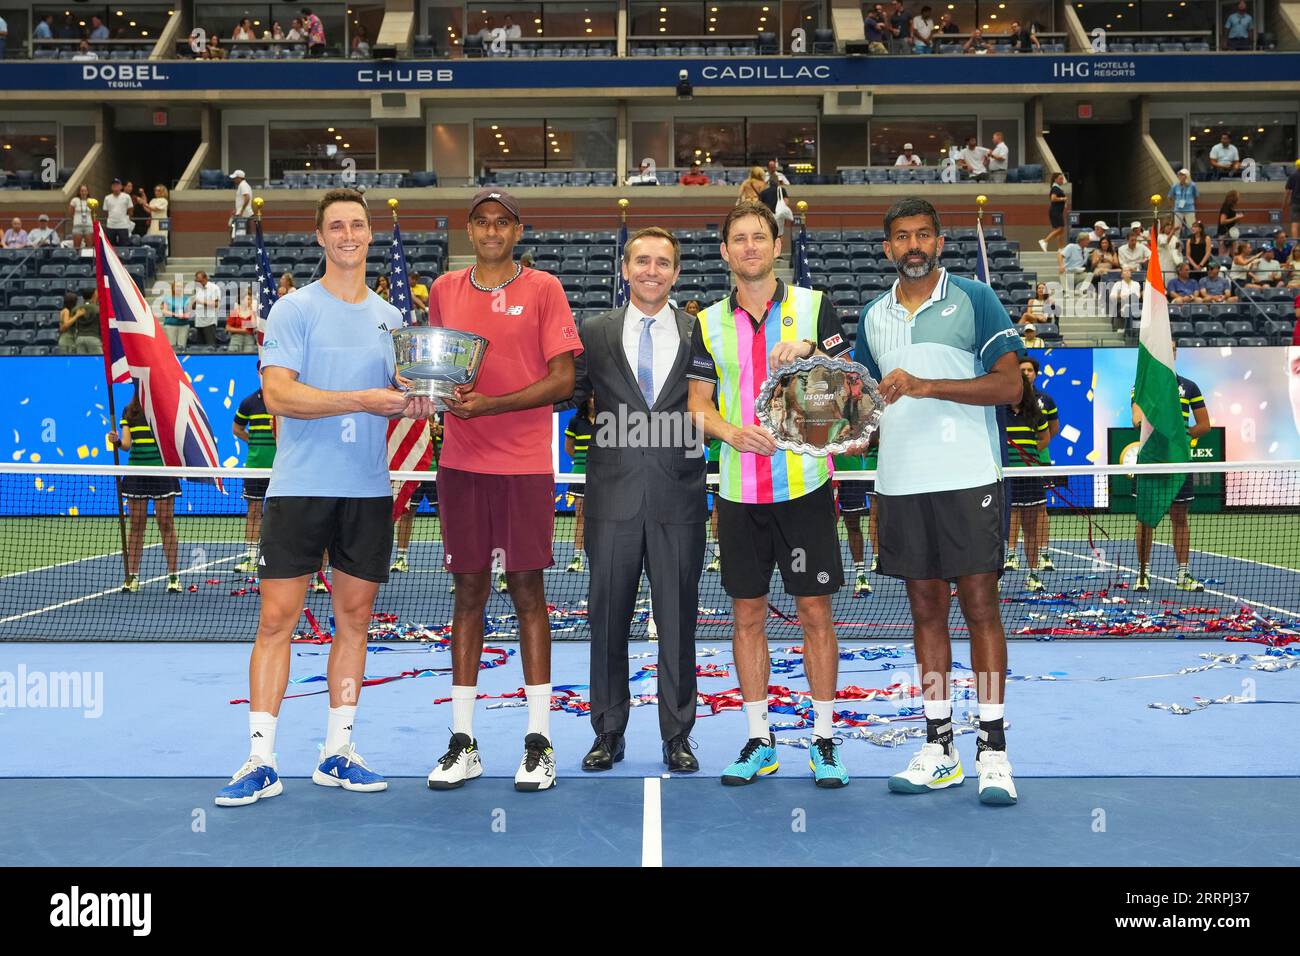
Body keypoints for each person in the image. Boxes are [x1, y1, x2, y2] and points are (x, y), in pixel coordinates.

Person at [214, 187, 432, 808]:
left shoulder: (393, 320)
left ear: (368, 234)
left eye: (357, 225)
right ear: (319, 237)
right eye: (336, 226)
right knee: (276, 623)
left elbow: (405, 392)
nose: (348, 235)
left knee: (354, 623)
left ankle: (338, 750)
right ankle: (260, 759)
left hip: (366, 491)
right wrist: (361, 400)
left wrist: (419, 399)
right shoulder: (291, 311)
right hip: (300, 489)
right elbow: (281, 397)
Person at [854, 196, 1026, 806]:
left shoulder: (976, 299)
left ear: (939, 242)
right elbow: (865, 410)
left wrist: (928, 385)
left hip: (969, 476)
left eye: (922, 234)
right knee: (926, 613)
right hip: (900, 484)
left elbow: (1011, 385)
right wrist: (833, 430)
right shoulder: (872, 318)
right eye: (901, 236)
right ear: (887, 248)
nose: (913, 245)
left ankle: (994, 748)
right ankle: (940, 745)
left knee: (980, 608)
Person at [687, 200, 852, 789]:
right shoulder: (704, 322)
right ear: (726, 252)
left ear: (777, 245)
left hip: (805, 488)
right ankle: (760, 739)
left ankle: (825, 740)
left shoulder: (813, 308)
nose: (751, 246)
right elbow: (697, 406)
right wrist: (731, 432)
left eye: (760, 236)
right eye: (740, 239)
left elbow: (851, 385)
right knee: (747, 614)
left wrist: (811, 352)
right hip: (737, 493)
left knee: (815, 611)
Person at [422, 188, 582, 794]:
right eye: (482, 222)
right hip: (460, 465)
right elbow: (436, 369)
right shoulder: (443, 290)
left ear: (517, 232)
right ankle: (463, 742)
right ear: (470, 230)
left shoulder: (544, 289)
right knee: (467, 595)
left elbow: (563, 380)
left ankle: (538, 743)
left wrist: (490, 406)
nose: (492, 231)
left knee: (527, 593)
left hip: (523, 466)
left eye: (503, 223)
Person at [564, 226, 706, 774]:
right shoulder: (594, 331)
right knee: (607, 621)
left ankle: (678, 736)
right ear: (625, 269)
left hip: (680, 498)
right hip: (612, 500)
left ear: (676, 272)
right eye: (642, 261)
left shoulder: (702, 332)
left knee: (678, 621)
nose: (651, 270)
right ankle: (608, 733)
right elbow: (564, 391)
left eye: (663, 262)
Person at [1131, 350, 1211, 592]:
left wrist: (1182, 437)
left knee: (1180, 518)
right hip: (1151, 461)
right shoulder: (1142, 386)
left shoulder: (1190, 387)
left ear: (1174, 353)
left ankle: (1183, 574)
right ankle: (1143, 573)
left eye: (1171, 348)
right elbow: (1136, 420)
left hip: (1178, 462)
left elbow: (1205, 425)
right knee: (1145, 520)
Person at [108, 387, 182, 594]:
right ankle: (132, 577)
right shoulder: (129, 411)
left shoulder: (166, 409)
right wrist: (117, 441)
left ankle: (174, 577)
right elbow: (126, 445)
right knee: (137, 525)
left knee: (166, 522)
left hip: (162, 473)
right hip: (137, 474)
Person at [1002, 371, 1049, 591]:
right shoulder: (998, 413)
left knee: (1030, 528)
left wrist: (1028, 457)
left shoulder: (1036, 414)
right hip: (1005, 480)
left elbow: (1044, 438)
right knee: (998, 529)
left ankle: (1033, 575)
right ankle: (996, 578)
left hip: (1030, 478)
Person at [232, 384, 277, 573]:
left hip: (281, 468)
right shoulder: (249, 402)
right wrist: (256, 443)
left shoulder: (282, 399)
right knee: (253, 513)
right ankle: (251, 558)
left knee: (281, 516)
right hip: (255, 468)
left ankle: (278, 559)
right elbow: (237, 429)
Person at [390, 415, 442, 574]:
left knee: (444, 516)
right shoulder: (413, 409)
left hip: (435, 471)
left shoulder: (446, 410)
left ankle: (450, 558)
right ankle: (401, 558)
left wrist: (439, 430)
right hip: (413, 470)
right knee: (407, 514)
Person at [835, 434, 879, 595]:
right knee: (829, 527)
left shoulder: (855, 420)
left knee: (853, 524)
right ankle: (835, 571)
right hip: (827, 478)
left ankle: (861, 576)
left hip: (853, 477)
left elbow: (871, 440)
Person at [563, 395, 595, 573]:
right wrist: (582, 461)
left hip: (602, 476)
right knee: (580, 517)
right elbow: (569, 448)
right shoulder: (575, 422)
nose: (594, 400)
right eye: (591, 396)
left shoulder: (608, 420)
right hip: (580, 475)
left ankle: (604, 557)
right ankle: (577, 557)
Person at [188, 271, 222, 347]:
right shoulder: (197, 289)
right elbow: (194, 306)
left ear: (205, 278)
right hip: (199, 321)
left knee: (210, 345)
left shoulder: (214, 288)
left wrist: (201, 302)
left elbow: (216, 304)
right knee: (200, 346)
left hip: (209, 322)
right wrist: (193, 303)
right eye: (197, 281)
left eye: (200, 281)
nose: (199, 283)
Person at [158, 278, 191, 350]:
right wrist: (175, 315)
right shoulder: (167, 298)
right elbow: (164, 311)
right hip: (170, 325)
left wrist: (184, 315)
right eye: (177, 287)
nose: (178, 288)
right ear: (173, 288)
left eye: (180, 287)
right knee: (171, 347)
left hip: (183, 325)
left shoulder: (186, 299)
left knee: (182, 347)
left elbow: (188, 313)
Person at [1039, 171, 1068, 251]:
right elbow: (1053, 198)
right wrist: (1063, 199)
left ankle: (1061, 248)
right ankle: (1045, 241)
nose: (1062, 180)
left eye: (1062, 179)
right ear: (1055, 179)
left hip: (1057, 211)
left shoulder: (1058, 188)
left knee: (1060, 231)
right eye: (1060, 179)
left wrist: (1064, 202)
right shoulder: (1055, 188)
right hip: (1056, 212)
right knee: (1060, 229)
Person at [226, 287, 258, 352]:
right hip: (236, 338)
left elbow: (254, 325)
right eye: (248, 299)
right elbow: (228, 328)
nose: (250, 301)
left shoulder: (253, 312)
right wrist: (242, 330)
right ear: (241, 300)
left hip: (249, 339)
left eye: (251, 299)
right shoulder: (235, 312)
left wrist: (252, 310)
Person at [102, 179, 133, 247]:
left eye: (117, 185)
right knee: (110, 247)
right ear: (111, 187)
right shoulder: (107, 198)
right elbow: (105, 211)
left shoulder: (127, 197)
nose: (115, 186)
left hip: (123, 226)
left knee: (124, 247)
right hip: (110, 226)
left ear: (121, 187)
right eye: (113, 185)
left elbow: (130, 209)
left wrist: (127, 219)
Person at [1170, 168, 1198, 235]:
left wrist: (1192, 203)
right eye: (1179, 175)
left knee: (1193, 227)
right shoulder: (1175, 186)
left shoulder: (1193, 185)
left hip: (1189, 209)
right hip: (1178, 210)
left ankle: (1193, 242)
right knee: (1177, 228)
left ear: (1187, 176)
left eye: (1182, 175)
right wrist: (1173, 206)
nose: (1180, 176)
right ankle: (1176, 243)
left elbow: (1196, 196)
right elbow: (1170, 196)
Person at [1217, 188, 1243, 256]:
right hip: (1224, 234)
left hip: (1231, 234)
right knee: (1224, 255)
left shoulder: (1232, 208)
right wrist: (1235, 218)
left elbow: (1232, 220)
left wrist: (1237, 219)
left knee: (1235, 253)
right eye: (1238, 197)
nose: (1239, 199)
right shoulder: (1226, 207)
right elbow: (1222, 221)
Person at [69, 184, 94, 250]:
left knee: (89, 247)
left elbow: (93, 214)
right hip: (77, 226)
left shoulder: (91, 201)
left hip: (88, 226)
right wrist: (75, 220)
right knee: (76, 248)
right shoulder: (75, 200)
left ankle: (88, 260)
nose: (83, 192)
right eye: (82, 191)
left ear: (87, 192)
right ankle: (77, 260)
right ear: (79, 192)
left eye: (85, 191)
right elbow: (71, 212)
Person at [231, 170, 253, 238]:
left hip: (243, 215)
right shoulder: (244, 185)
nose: (234, 180)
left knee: (238, 235)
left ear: (239, 178)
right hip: (244, 214)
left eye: (235, 178)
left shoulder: (243, 185)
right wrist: (237, 209)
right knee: (244, 234)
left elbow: (247, 197)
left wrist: (241, 210)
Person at [1284, 160, 1300, 240]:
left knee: (1295, 225)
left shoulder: (1293, 175)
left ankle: (1296, 244)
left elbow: (1288, 191)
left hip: (1295, 203)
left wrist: (1284, 203)